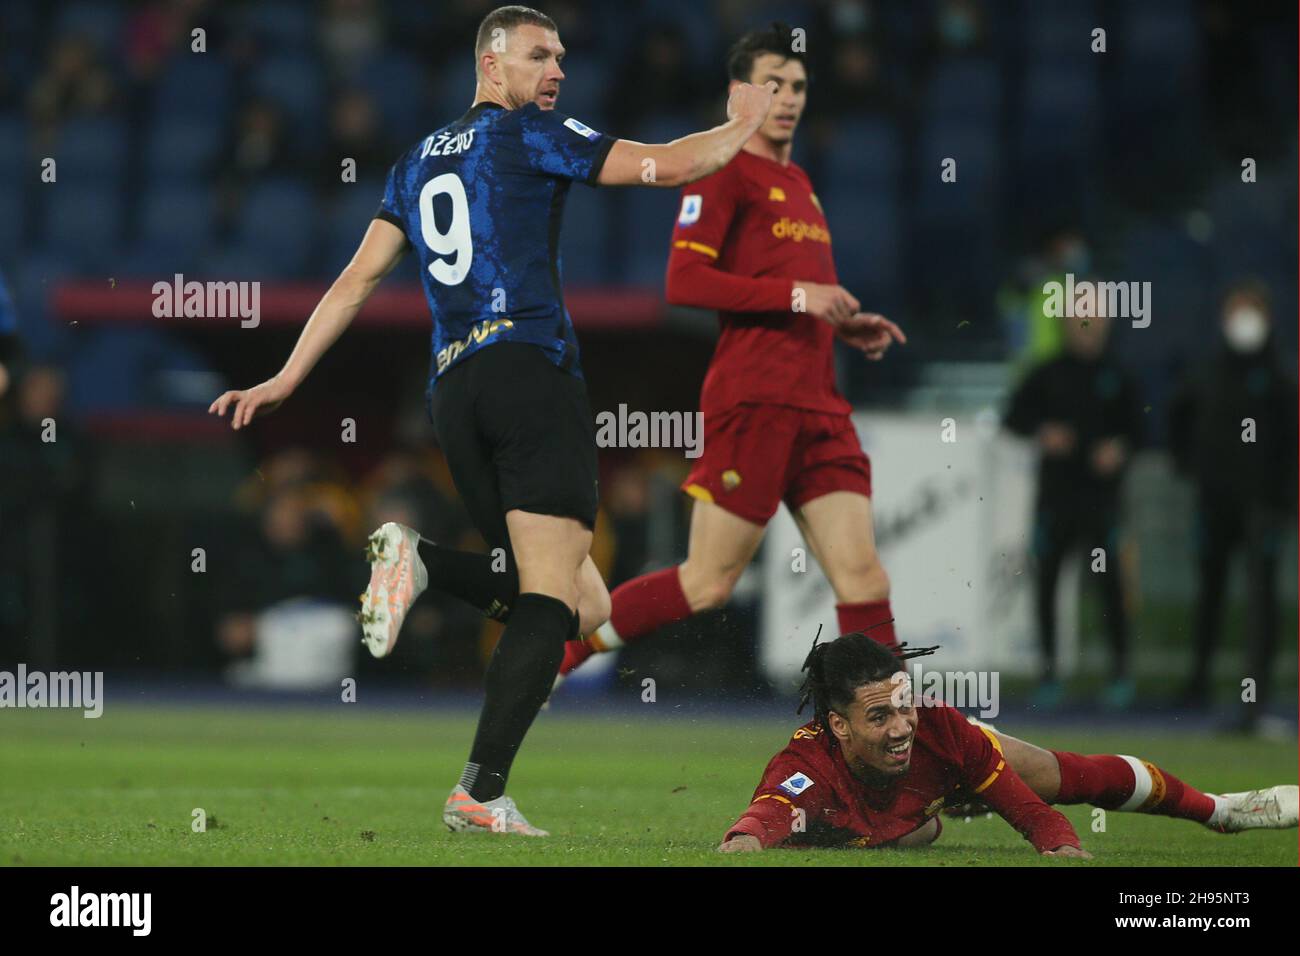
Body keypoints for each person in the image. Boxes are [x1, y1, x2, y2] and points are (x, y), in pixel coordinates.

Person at [209, 5, 777, 836]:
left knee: (578, 605)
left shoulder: (413, 162)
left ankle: (427, 564)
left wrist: (289, 375)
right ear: (491, 66)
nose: (556, 73)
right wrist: (742, 123)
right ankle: (479, 789)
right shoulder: (526, 135)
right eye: (540, 56)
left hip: (453, 395)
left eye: (562, 59)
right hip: (528, 374)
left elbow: (356, 280)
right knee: (549, 600)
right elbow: (664, 166)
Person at [558, 22, 906, 684]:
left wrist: (841, 323)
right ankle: (564, 651)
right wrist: (801, 297)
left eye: (799, 85)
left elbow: (791, 291)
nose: (790, 98)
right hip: (757, 400)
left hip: (819, 403)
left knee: (863, 574)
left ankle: (896, 737)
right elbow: (684, 283)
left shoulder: (800, 181)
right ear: (737, 96)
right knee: (707, 583)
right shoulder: (723, 172)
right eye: (772, 85)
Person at [718, 633, 1297, 853]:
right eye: (879, 716)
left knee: (1065, 776)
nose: (900, 726)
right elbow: (764, 816)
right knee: (911, 833)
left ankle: (1222, 812)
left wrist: (1062, 848)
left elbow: (1028, 812)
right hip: (901, 814)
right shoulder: (806, 767)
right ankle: (934, 816)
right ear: (838, 727)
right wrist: (742, 844)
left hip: (946, 775)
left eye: (904, 705)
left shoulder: (940, 729)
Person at [1169, 280, 1297, 728]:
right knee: (1210, 594)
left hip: (1262, 506)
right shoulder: (1209, 373)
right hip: (1215, 504)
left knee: (1262, 602)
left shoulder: (1280, 377)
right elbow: (1178, 418)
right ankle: (1198, 683)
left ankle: (1254, 697)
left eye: (1251, 310)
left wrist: (1284, 500)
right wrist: (1190, 467)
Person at [1004, 307, 1143, 710]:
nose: (1089, 324)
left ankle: (1120, 674)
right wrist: (1043, 431)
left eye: (1097, 315)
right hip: (1057, 501)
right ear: (1066, 322)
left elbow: (1139, 430)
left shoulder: (1119, 375)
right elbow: (1014, 415)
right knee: (1047, 583)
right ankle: (1049, 675)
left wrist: (1119, 449)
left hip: (1102, 504)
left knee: (1111, 588)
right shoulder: (1047, 373)